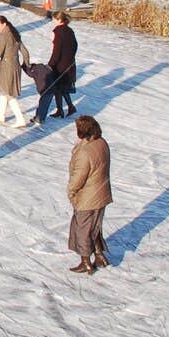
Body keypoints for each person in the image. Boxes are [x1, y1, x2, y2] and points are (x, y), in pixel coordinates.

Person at [66, 115, 112, 274]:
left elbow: (78, 178)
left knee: (83, 229)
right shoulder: (102, 143)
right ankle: (99, 256)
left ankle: (85, 262)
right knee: (95, 227)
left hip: (88, 197)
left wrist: (71, 192)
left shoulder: (85, 153)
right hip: (102, 193)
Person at [32, 10, 78, 123]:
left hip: (60, 65)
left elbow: (56, 51)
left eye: (54, 19)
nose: (52, 21)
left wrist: (50, 65)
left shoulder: (58, 31)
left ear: (59, 20)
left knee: (57, 87)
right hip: (70, 63)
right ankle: (70, 107)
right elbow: (75, 45)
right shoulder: (69, 30)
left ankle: (60, 110)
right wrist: (70, 57)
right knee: (62, 87)